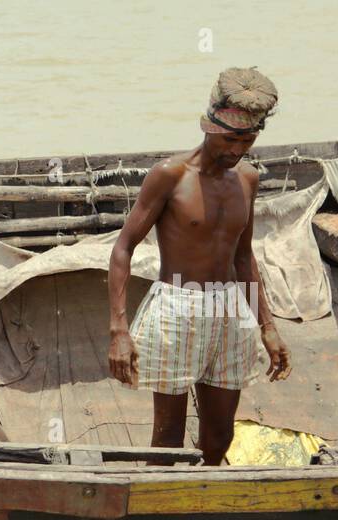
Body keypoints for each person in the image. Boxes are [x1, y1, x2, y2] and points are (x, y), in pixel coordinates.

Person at [107, 67, 292, 465]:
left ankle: (204, 500)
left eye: (247, 140)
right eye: (230, 139)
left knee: (220, 434)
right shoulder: (169, 175)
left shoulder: (247, 179)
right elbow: (123, 248)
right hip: (177, 307)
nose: (237, 150)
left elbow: (243, 257)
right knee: (168, 435)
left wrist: (268, 327)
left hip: (228, 309)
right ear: (208, 126)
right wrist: (119, 329)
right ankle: (161, 511)